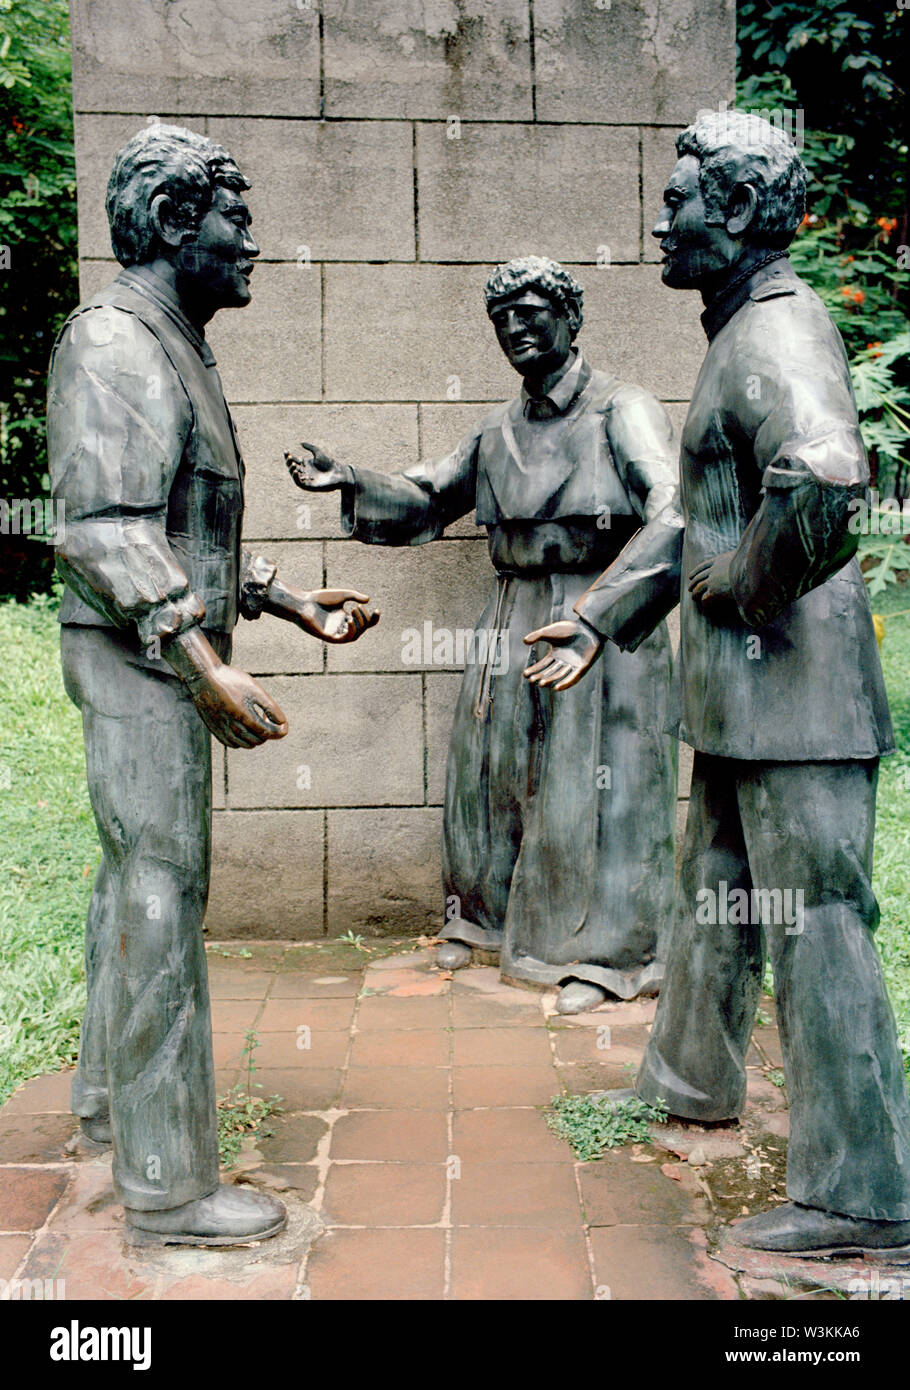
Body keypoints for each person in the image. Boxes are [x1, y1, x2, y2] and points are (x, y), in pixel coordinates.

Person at [535, 110, 910, 1254]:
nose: (661, 215)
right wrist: (605, 615)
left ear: (738, 212)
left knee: (818, 928)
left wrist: (735, 589)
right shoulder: (741, 327)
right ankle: (688, 1078)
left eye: (679, 196)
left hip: (797, 707)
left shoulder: (774, 338)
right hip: (749, 705)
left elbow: (829, 481)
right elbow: (690, 514)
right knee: (713, 896)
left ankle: (865, 1198)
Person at [47, 124, 378, 1246]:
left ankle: (107, 1102)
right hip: (141, 663)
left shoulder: (172, 340)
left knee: (134, 881)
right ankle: (168, 1181)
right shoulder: (117, 341)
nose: (254, 245)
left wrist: (287, 603)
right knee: (160, 889)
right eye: (238, 221)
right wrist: (203, 665)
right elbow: (102, 528)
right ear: (178, 220)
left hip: (156, 651)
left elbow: (187, 529)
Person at [285, 257, 683, 1014]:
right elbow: (430, 495)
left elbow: (672, 512)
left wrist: (601, 616)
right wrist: (354, 480)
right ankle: (485, 918)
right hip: (511, 613)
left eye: (533, 312)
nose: (517, 328)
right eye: (504, 319)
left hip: (602, 613)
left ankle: (608, 956)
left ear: (572, 317)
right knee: (489, 773)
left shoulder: (622, 409)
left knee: (595, 785)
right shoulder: (497, 428)